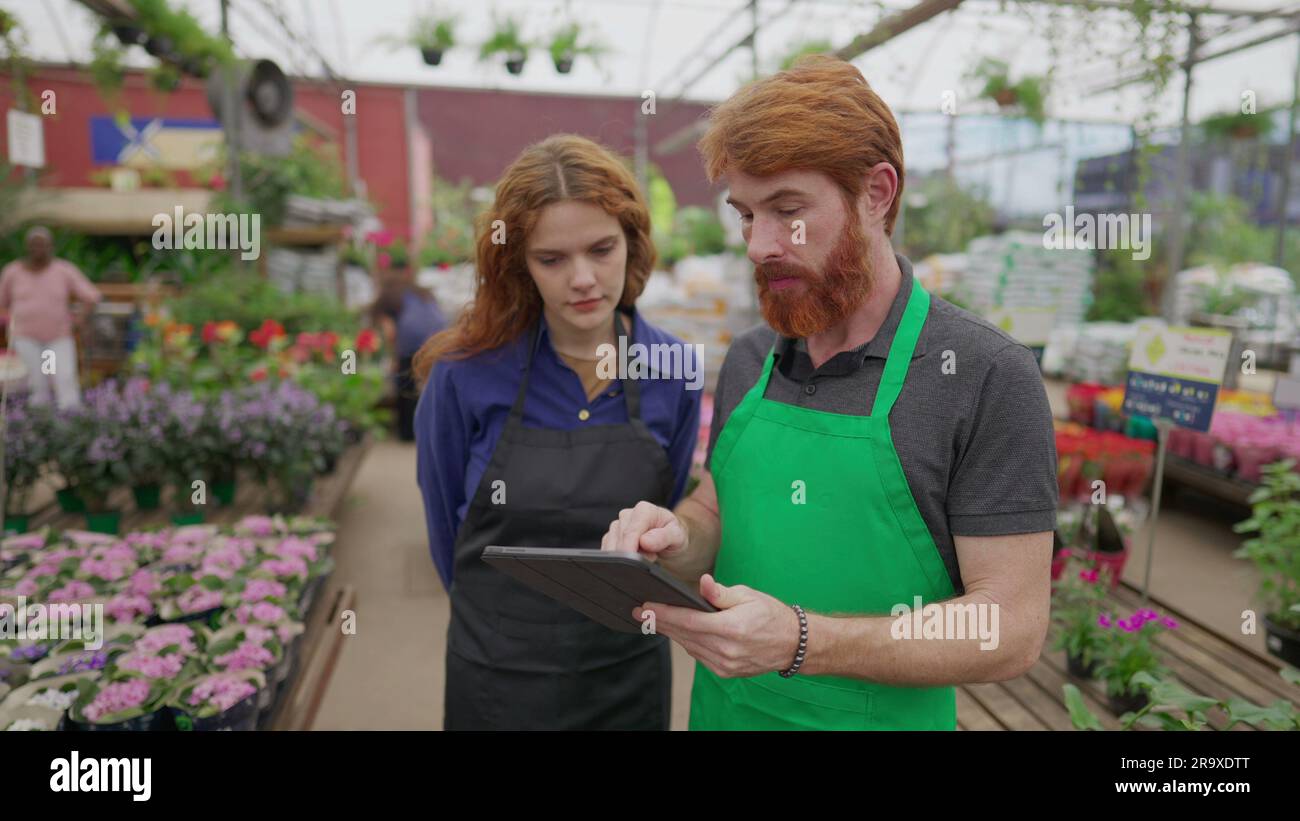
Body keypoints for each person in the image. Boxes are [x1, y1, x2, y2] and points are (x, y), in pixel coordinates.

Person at [601, 56, 1058, 730]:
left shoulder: (984, 375)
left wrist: (802, 640)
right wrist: (676, 538)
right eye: (744, 213)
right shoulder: (753, 358)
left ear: (877, 193)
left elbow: (1010, 625)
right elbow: (717, 512)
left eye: (786, 210)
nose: (757, 245)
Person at [414, 134, 702, 730]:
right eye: (552, 259)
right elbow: (448, 539)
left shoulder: (673, 373)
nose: (582, 279)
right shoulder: (465, 376)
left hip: (626, 676)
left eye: (601, 249)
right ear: (519, 262)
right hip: (497, 678)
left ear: (632, 242)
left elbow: (674, 514)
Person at [0, 226, 102, 409]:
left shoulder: (63, 270)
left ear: (51, 247)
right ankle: (37, 425)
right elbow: (2, 302)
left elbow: (92, 297)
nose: (38, 249)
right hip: (25, 339)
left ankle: (70, 421)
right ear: (27, 247)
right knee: (35, 384)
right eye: (34, 245)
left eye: (43, 245)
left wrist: (80, 318)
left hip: (57, 339)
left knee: (64, 377)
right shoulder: (12, 272)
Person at [370, 268, 446, 441]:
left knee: (405, 387)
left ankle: (407, 433)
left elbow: (390, 331)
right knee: (430, 387)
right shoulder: (420, 292)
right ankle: (430, 431)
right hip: (438, 338)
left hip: (410, 341)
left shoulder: (389, 296)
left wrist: (394, 357)